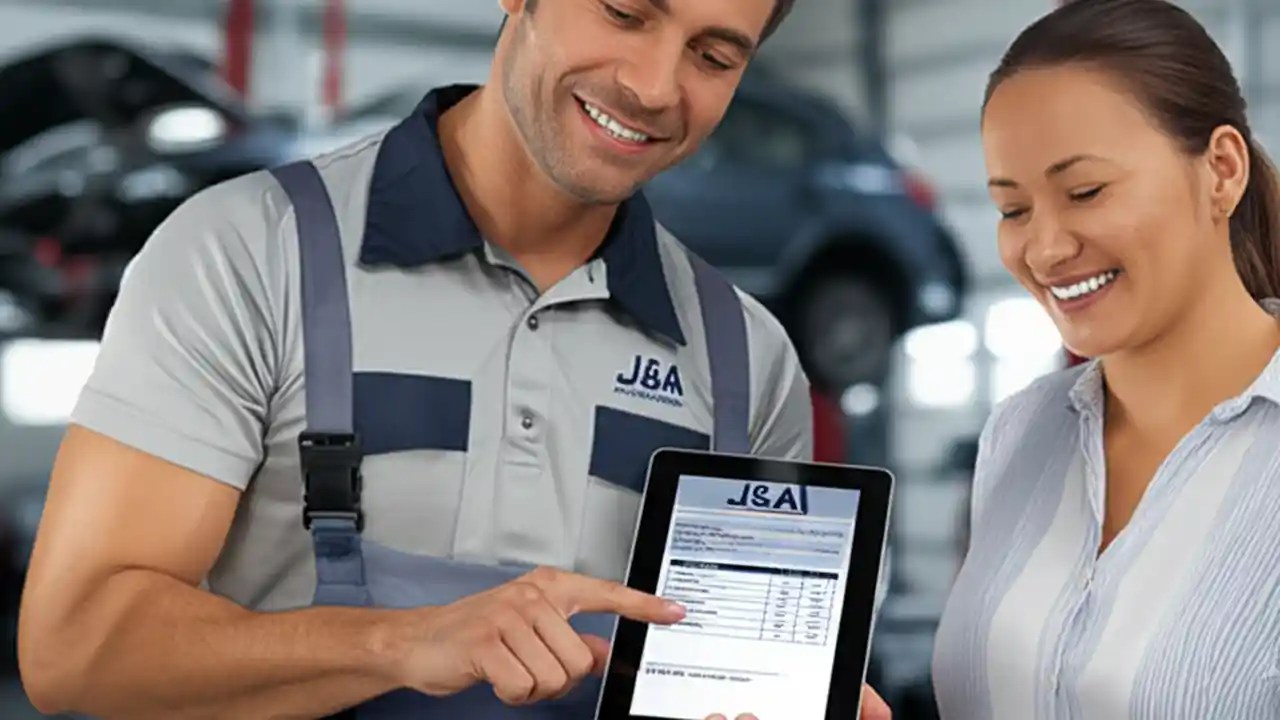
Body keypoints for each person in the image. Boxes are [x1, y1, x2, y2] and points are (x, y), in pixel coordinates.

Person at [15, 0, 892, 718]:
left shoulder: (748, 359)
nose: (654, 86)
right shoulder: (249, 252)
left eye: (713, 55)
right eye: (625, 13)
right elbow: (77, 645)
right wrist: (403, 643)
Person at [932, 1, 1280, 718]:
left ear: (1221, 170)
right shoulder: (1019, 435)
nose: (1046, 249)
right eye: (1013, 209)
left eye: (1085, 192)